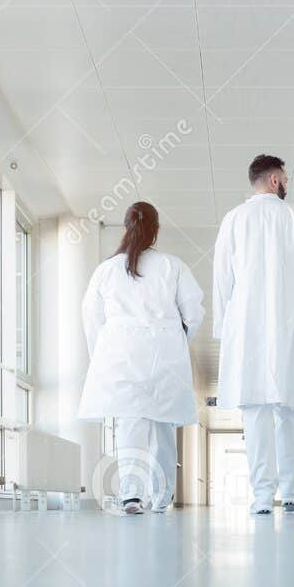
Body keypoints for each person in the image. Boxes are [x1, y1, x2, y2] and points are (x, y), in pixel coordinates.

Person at [212, 154, 294, 515]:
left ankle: (262, 497)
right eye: (286, 178)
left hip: (245, 327)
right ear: (275, 180)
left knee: (255, 412)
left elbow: (222, 279)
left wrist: (224, 330)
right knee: (291, 410)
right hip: (288, 324)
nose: (287, 184)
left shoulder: (233, 219)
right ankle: (291, 494)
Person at [78, 202, 205, 515]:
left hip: (121, 354)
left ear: (126, 228)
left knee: (129, 424)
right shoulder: (173, 266)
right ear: (156, 229)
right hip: (164, 354)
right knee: (163, 426)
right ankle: (162, 497)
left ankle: (131, 495)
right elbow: (194, 312)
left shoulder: (106, 270)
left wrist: (100, 355)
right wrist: (179, 341)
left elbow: (91, 318)